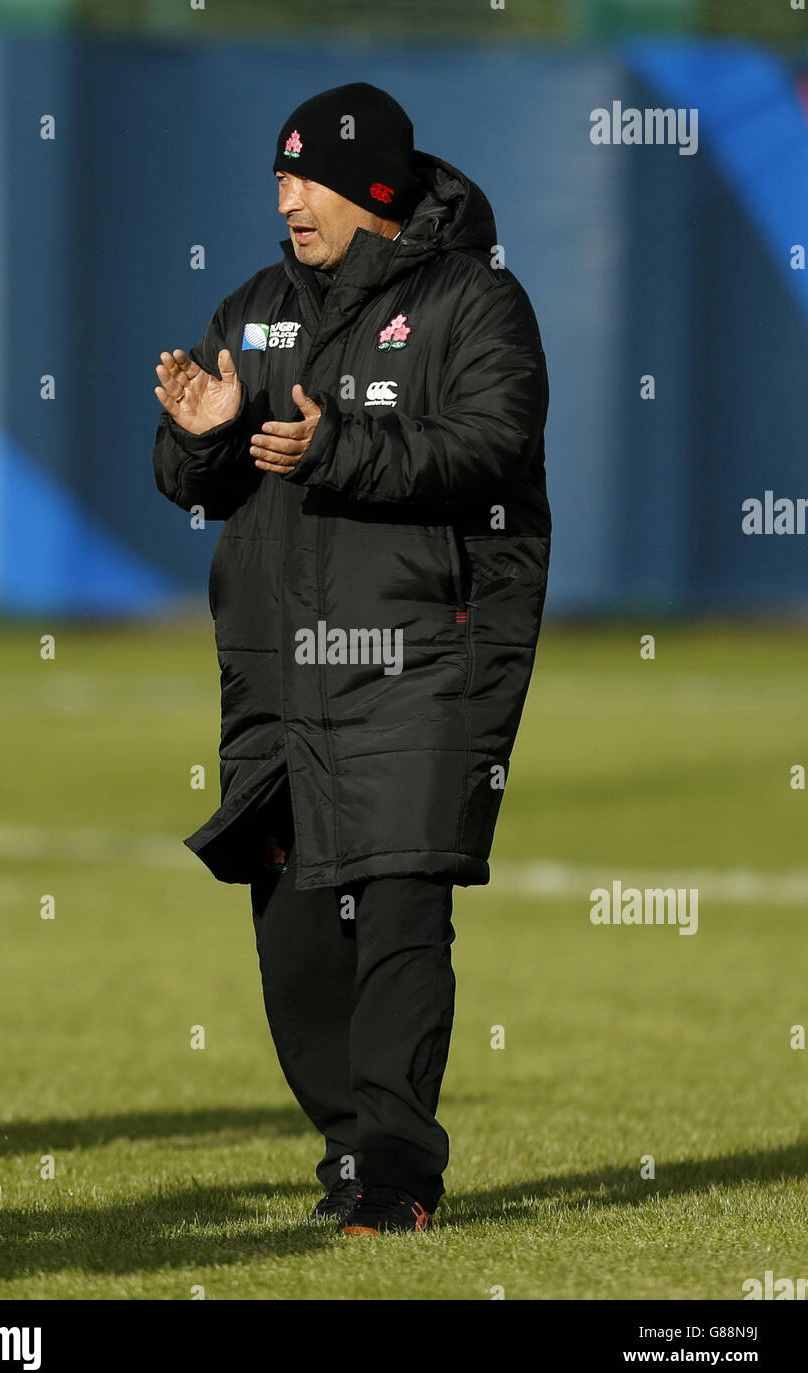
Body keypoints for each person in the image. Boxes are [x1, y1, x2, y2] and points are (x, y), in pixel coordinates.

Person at [153, 83, 551, 1235]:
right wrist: (203, 435)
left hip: (422, 654)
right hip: (275, 672)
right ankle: (350, 1141)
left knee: (401, 910)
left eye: (304, 179)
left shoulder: (476, 302)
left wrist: (342, 445)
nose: (285, 201)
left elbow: (489, 444)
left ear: (373, 187)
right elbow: (192, 480)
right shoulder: (258, 306)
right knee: (290, 935)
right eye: (276, 180)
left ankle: (393, 1171)